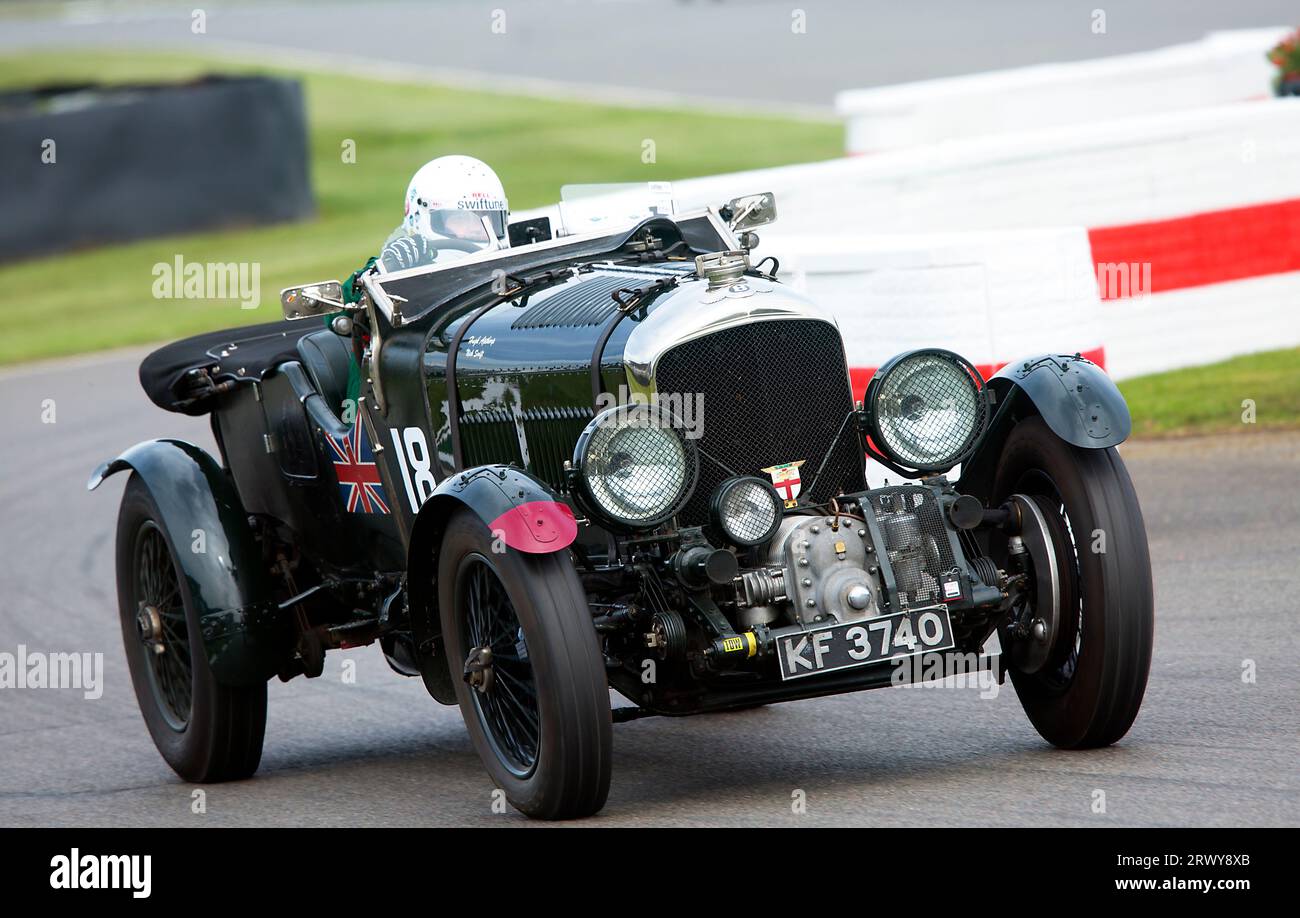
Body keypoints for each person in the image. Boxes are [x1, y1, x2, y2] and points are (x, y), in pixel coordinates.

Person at [342, 155, 510, 304]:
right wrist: (383, 270)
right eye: (461, 219)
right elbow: (341, 312)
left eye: (489, 217)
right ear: (421, 215)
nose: (476, 228)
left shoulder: (514, 263)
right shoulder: (402, 265)